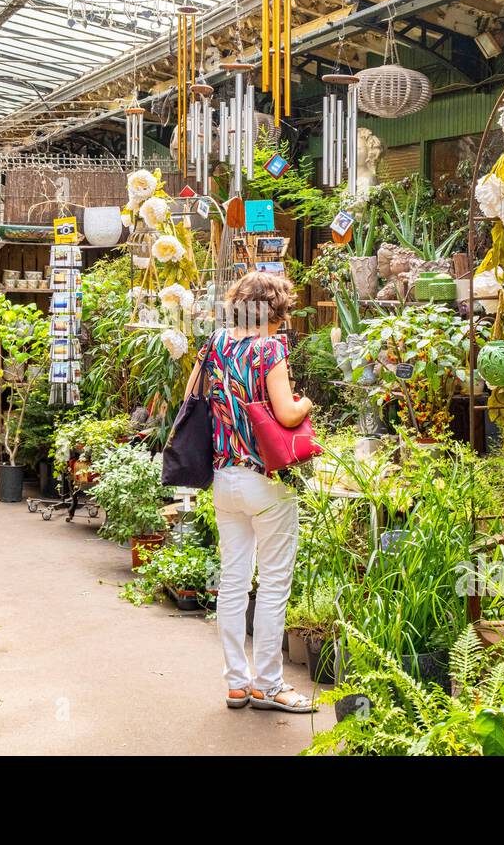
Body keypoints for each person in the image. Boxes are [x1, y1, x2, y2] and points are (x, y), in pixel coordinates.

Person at [181, 271, 314, 713]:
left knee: (234, 582)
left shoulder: (216, 343)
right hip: (266, 480)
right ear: (275, 309)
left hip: (224, 478)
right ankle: (270, 686)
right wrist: (306, 404)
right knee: (274, 584)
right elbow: (288, 415)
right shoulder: (270, 349)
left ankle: (237, 683)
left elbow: (190, 398)